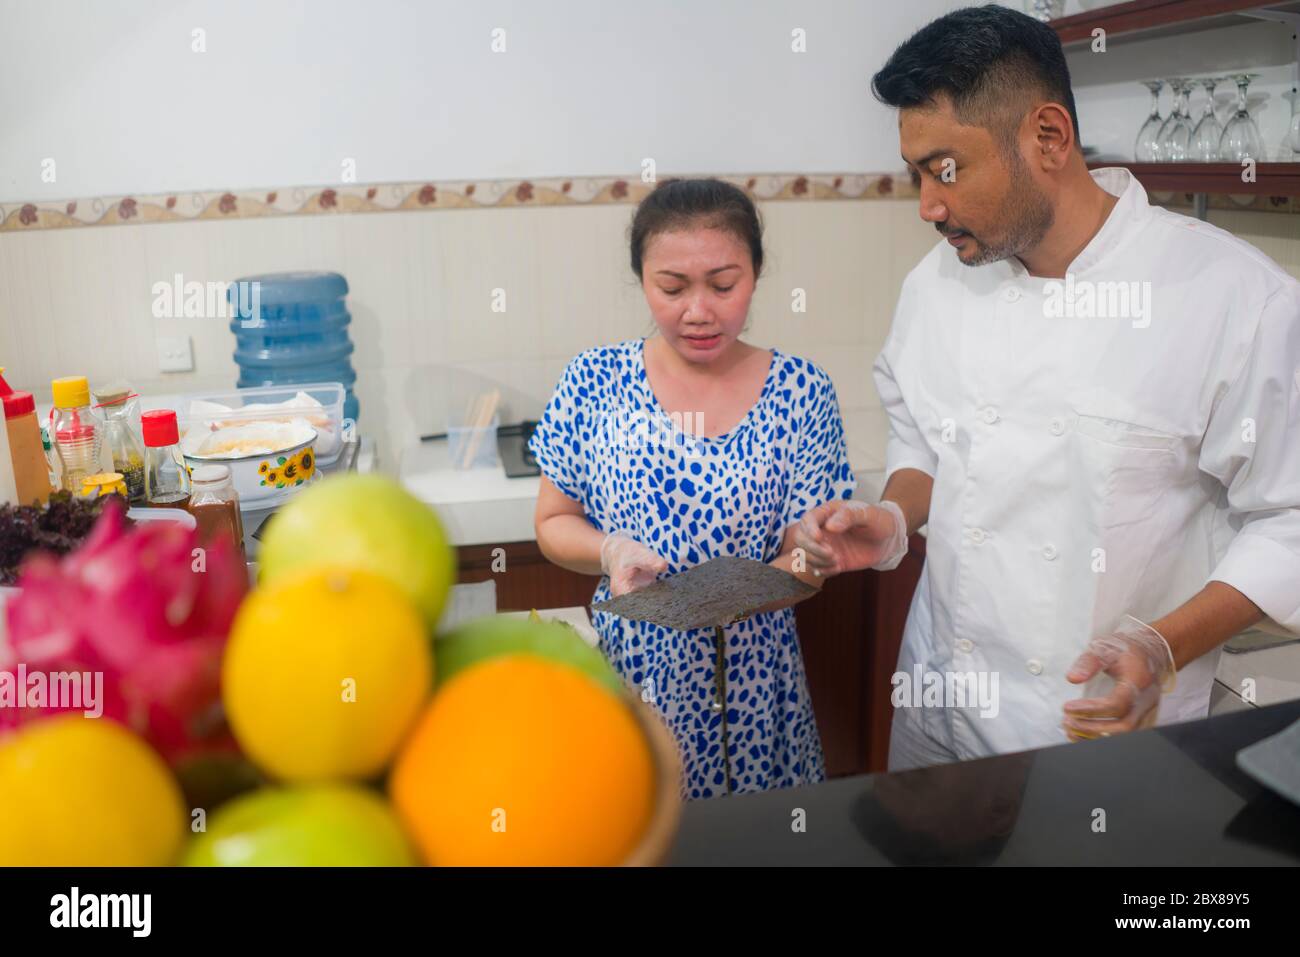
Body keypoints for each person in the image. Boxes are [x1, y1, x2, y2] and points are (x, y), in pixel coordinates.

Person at [796, 5, 1300, 770]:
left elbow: (1289, 518)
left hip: (1097, 725)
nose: (927, 205)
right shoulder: (936, 284)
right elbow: (924, 439)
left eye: (946, 169)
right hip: (938, 708)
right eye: (916, 173)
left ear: (1049, 138)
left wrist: (1163, 646)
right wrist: (896, 515)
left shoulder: (1231, 299)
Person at [529, 178, 856, 798]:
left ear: (755, 275)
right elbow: (552, 522)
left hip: (758, 682)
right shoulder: (595, 380)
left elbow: (805, 555)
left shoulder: (802, 391)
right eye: (672, 288)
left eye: (723, 285)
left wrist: (810, 558)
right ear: (642, 280)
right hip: (635, 674)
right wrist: (611, 551)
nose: (698, 310)